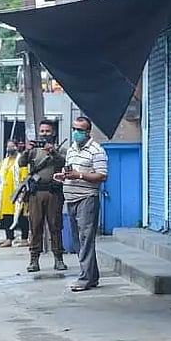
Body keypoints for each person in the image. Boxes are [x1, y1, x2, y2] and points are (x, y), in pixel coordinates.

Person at [57, 116, 109, 292]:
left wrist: (79, 175)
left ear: (88, 132)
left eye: (80, 130)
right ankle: (91, 275)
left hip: (87, 198)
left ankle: (85, 277)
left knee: (86, 239)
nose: (76, 133)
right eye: (74, 129)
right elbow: (70, 170)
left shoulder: (96, 151)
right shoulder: (71, 150)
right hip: (71, 198)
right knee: (77, 240)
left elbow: (102, 176)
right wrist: (63, 175)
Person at [18, 120, 67, 273]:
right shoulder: (33, 151)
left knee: (55, 226)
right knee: (35, 226)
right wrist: (27, 150)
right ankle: (34, 260)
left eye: (47, 131)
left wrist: (52, 151)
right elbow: (21, 163)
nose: (44, 134)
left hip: (53, 193)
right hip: (36, 194)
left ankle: (58, 258)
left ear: (53, 132)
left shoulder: (61, 149)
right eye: (42, 131)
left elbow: (64, 162)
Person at [0, 140, 29, 247]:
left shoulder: (21, 160)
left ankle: (24, 239)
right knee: (7, 218)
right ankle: (9, 238)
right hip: (5, 195)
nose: (10, 149)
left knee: (22, 217)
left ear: (17, 147)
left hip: (18, 194)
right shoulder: (5, 161)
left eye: (12, 146)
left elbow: (24, 177)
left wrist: (23, 193)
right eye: (8, 147)